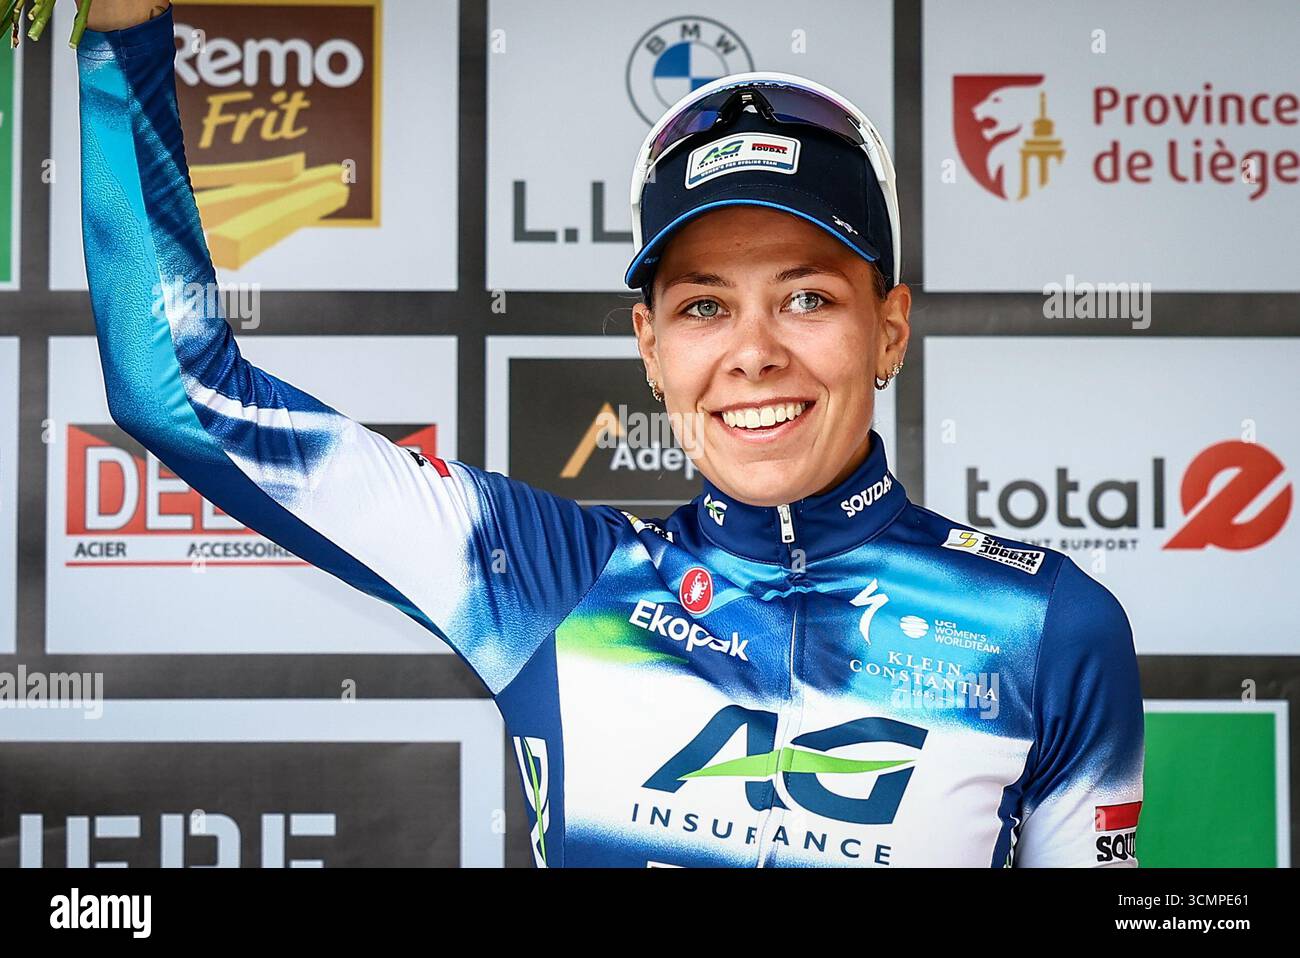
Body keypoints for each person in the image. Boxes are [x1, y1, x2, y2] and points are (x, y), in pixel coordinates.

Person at [76, 1, 1143, 867]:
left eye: (808, 298)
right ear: (648, 342)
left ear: (889, 328)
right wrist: (125, 33)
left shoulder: (1044, 623)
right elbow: (180, 392)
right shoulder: (549, 579)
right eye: (703, 305)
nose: (754, 352)